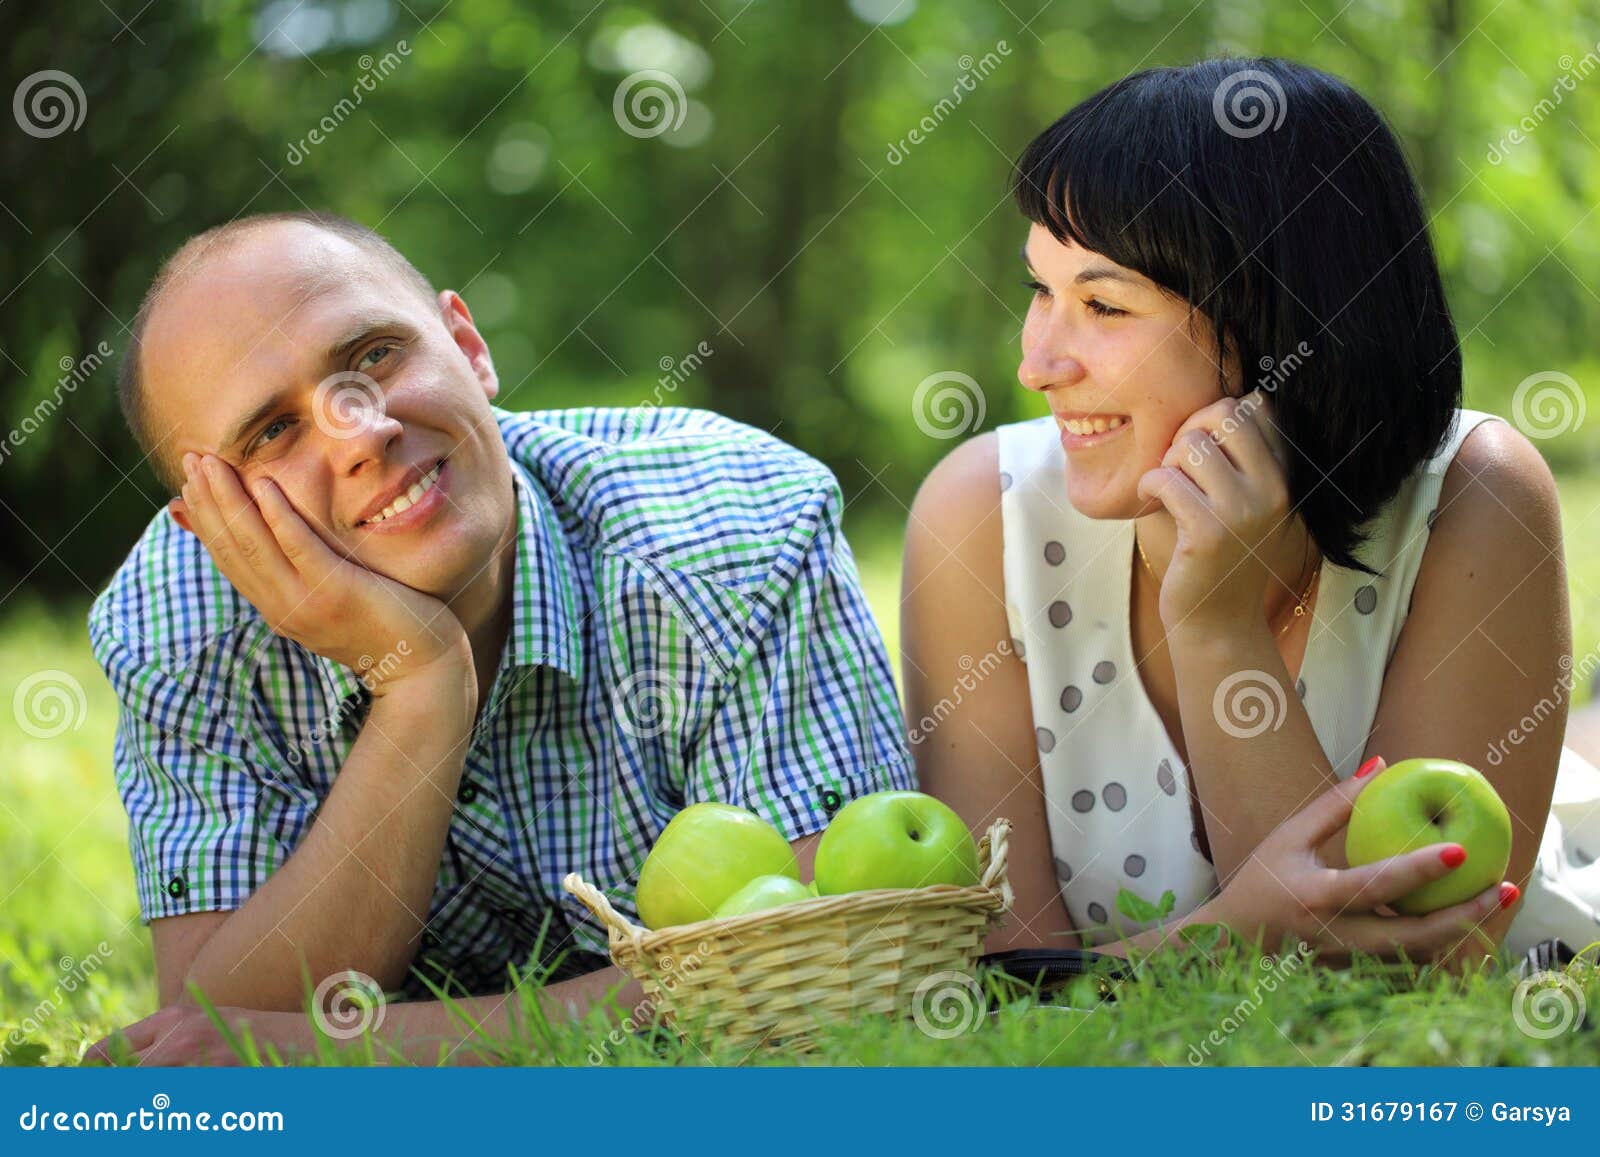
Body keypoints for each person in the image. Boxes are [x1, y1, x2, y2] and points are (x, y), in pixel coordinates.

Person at [84, 211, 913, 1064]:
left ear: (467, 346)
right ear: (207, 526)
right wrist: (419, 688)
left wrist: (362, 1054)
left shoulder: (735, 529)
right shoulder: (176, 625)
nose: (362, 431)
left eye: (374, 355)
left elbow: (834, 964)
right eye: (273, 432)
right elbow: (207, 1041)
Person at [902, 58, 1600, 969]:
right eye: (1041, 290)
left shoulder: (1474, 493)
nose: (1039, 363)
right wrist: (1235, 933)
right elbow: (1004, 985)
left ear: (1280, 326)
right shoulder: (980, 515)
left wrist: (1216, 622)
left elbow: (1402, 976)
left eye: (1104, 305)